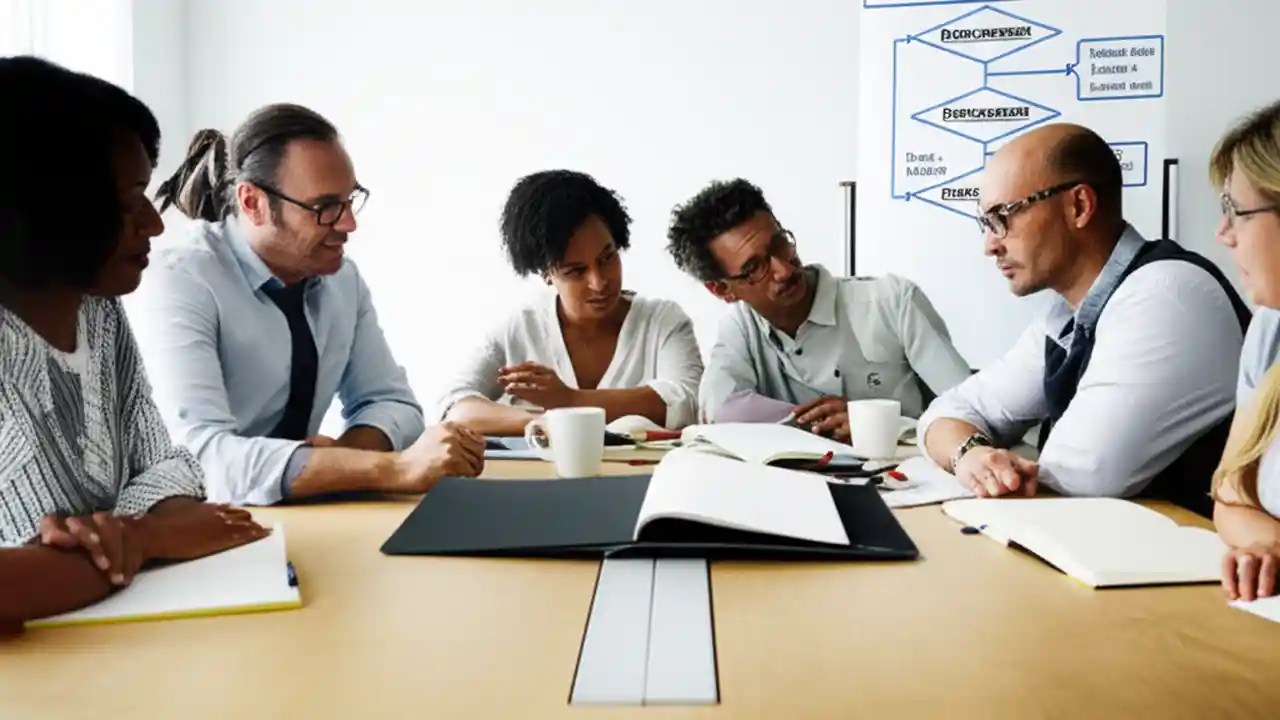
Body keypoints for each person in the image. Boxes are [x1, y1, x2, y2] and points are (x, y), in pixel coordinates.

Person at [0, 57, 268, 634]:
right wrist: (145, 539)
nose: (154, 223)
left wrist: (113, 538)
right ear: (39, 207)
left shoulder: (98, 311)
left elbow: (166, 465)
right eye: (126, 204)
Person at [138, 104, 482, 506]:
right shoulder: (181, 278)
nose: (349, 223)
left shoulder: (342, 279)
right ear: (252, 203)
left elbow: (394, 403)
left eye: (351, 200)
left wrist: (338, 462)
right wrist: (393, 469)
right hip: (199, 526)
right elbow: (200, 459)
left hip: (302, 517)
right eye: (324, 208)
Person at [919, 123, 1249, 517]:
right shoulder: (1065, 318)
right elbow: (945, 413)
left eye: (1002, 217)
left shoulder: (1166, 294)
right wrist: (971, 455)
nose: (990, 244)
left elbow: (1075, 480)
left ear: (1078, 206)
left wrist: (990, 467)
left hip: (1201, 569)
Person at [666, 178, 970, 441]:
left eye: (779, 244)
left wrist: (873, 424)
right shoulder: (741, 328)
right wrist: (817, 423)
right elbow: (719, 409)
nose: (784, 270)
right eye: (754, 268)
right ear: (722, 290)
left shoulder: (893, 301)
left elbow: (975, 411)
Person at [440, 170, 702, 434]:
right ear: (545, 273)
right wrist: (540, 423)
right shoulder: (521, 328)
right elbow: (454, 407)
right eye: (576, 271)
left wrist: (569, 401)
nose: (599, 282)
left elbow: (687, 402)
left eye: (607, 257)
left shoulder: (661, 322)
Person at [1210, 100, 1280, 601]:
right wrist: (1268, 547)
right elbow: (1230, 491)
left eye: (1237, 211)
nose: (1224, 234)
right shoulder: (1270, 328)